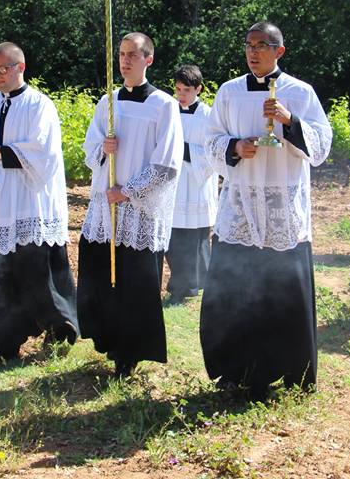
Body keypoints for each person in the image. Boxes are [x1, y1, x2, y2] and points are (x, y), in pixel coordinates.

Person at [200, 21, 332, 399]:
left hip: (280, 212)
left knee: (281, 293)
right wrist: (234, 148)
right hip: (240, 206)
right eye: (248, 45)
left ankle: (289, 370)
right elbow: (210, 140)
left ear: (279, 51)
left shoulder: (300, 92)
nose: (253, 52)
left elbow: (321, 148)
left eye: (262, 45)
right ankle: (234, 368)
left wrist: (290, 121)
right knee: (234, 291)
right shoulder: (228, 92)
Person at [0, 42, 78, 367]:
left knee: (37, 274)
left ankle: (61, 331)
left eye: (3, 69)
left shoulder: (40, 106)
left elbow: (44, 153)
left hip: (30, 202)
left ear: (20, 67)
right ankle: (4, 343)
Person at [77, 32, 183, 378]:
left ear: (148, 60)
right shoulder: (108, 101)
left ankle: (131, 352)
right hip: (106, 207)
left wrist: (128, 191)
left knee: (134, 283)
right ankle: (108, 338)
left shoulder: (163, 105)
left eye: (132, 55)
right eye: (121, 54)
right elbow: (90, 148)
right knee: (102, 276)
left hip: (138, 208)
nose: (125, 60)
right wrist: (102, 149)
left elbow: (167, 163)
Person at [165, 64, 218, 304]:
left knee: (196, 237)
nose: (181, 94)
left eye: (186, 89)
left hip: (197, 183)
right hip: (174, 183)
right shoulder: (169, 112)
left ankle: (195, 283)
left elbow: (213, 152)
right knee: (174, 237)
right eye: (177, 89)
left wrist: (183, 150)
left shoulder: (209, 116)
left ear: (199, 89)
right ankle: (179, 284)